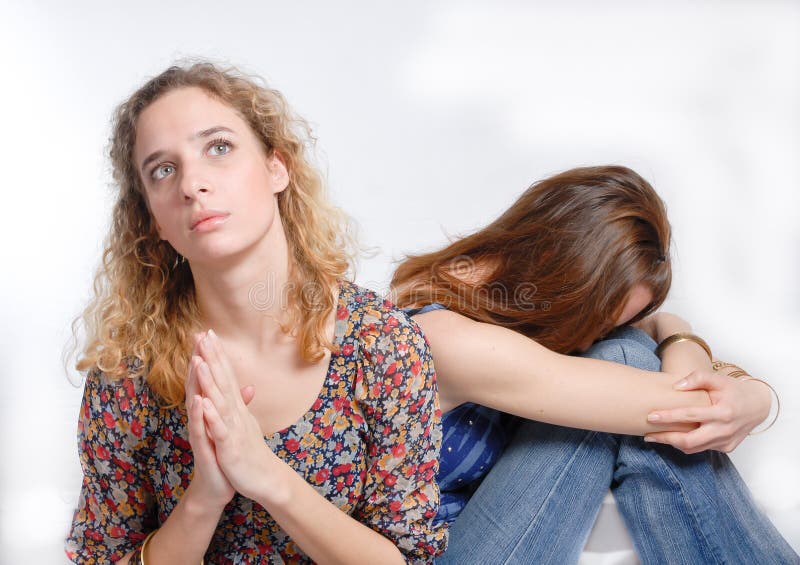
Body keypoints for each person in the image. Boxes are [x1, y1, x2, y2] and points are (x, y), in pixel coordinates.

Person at [64, 61, 446, 564]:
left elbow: (407, 558)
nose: (192, 184)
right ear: (152, 219)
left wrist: (265, 474)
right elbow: (105, 557)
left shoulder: (382, 344)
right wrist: (205, 496)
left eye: (218, 148)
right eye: (163, 169)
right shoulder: (127, 373)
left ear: (276, 168)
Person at [391, 165, 798, 563]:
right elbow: (686, 409)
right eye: (594, 320)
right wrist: (749, 392)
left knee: (629, 350)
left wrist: (731, 379)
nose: (590, 339)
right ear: (557, 271)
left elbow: (655, 343)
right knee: (628, 357)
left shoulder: (480, 290)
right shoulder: (451, 340)